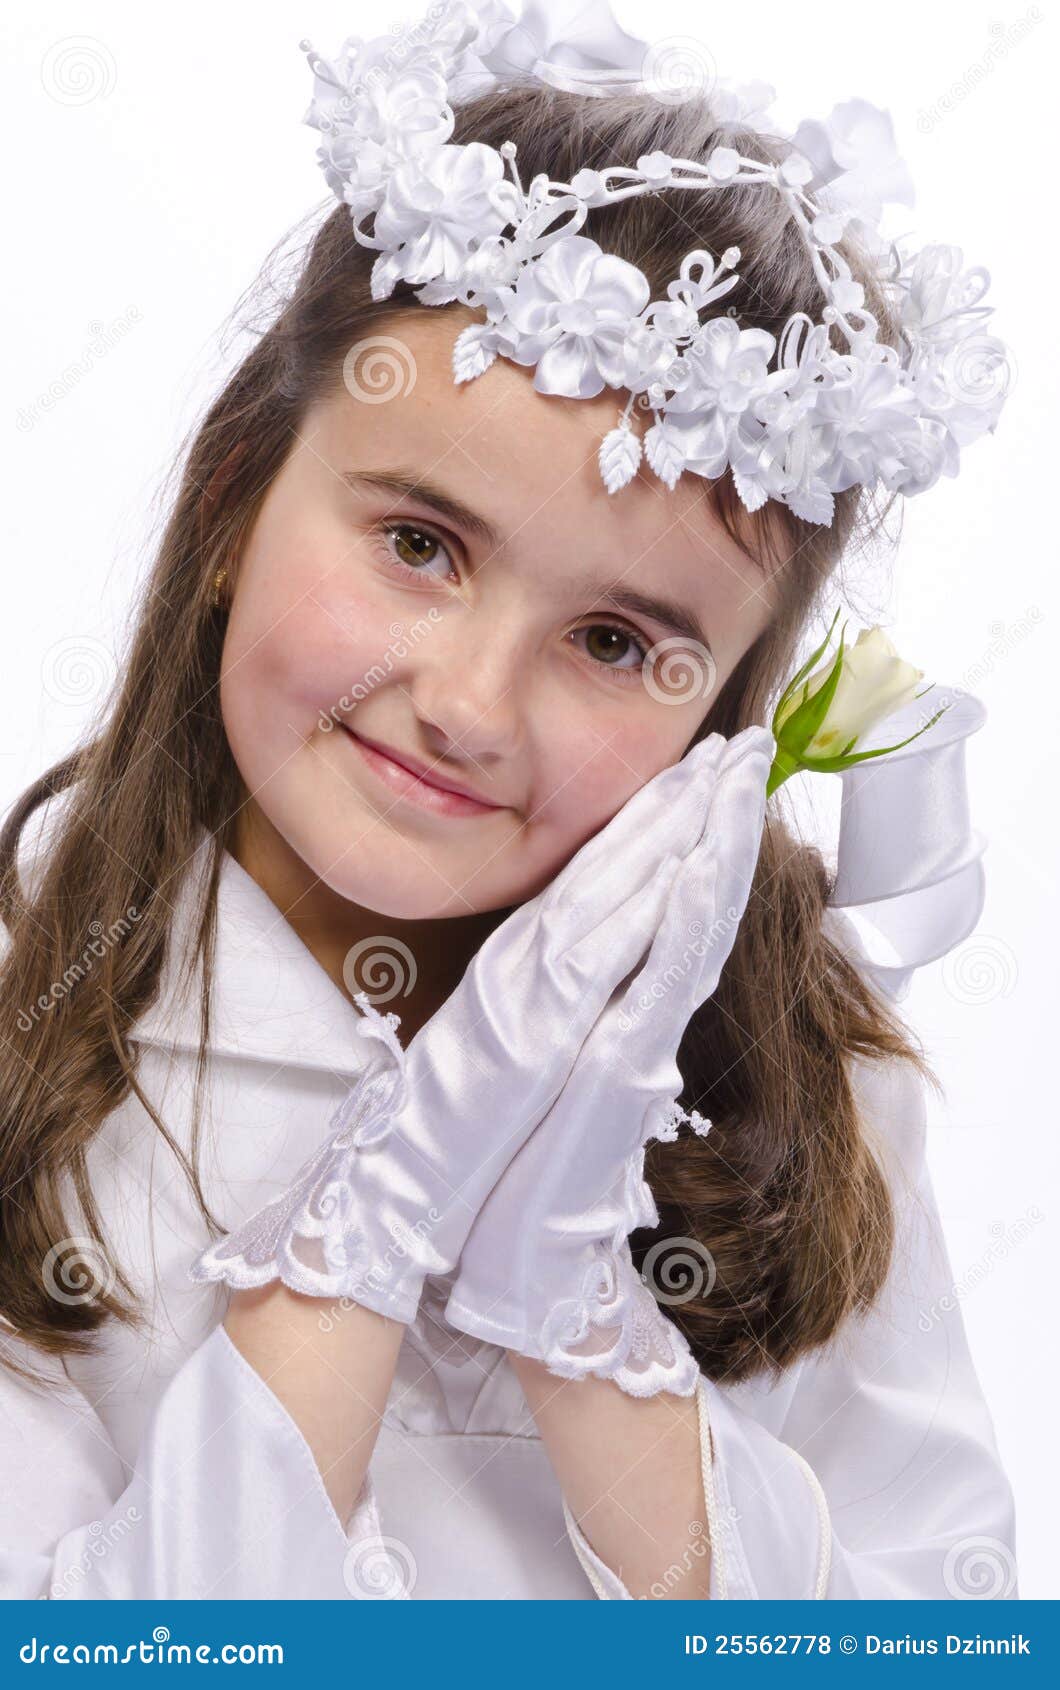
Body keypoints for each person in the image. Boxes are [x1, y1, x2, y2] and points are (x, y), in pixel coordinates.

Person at [0, 0, 1017, 1601]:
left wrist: (583, 1318)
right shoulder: (25, 1036)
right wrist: (373, 1223)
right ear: (231, 503)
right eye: (419, 543)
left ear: (724, 723)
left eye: (615, 641)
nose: (469, 705)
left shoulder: (818, 1084)